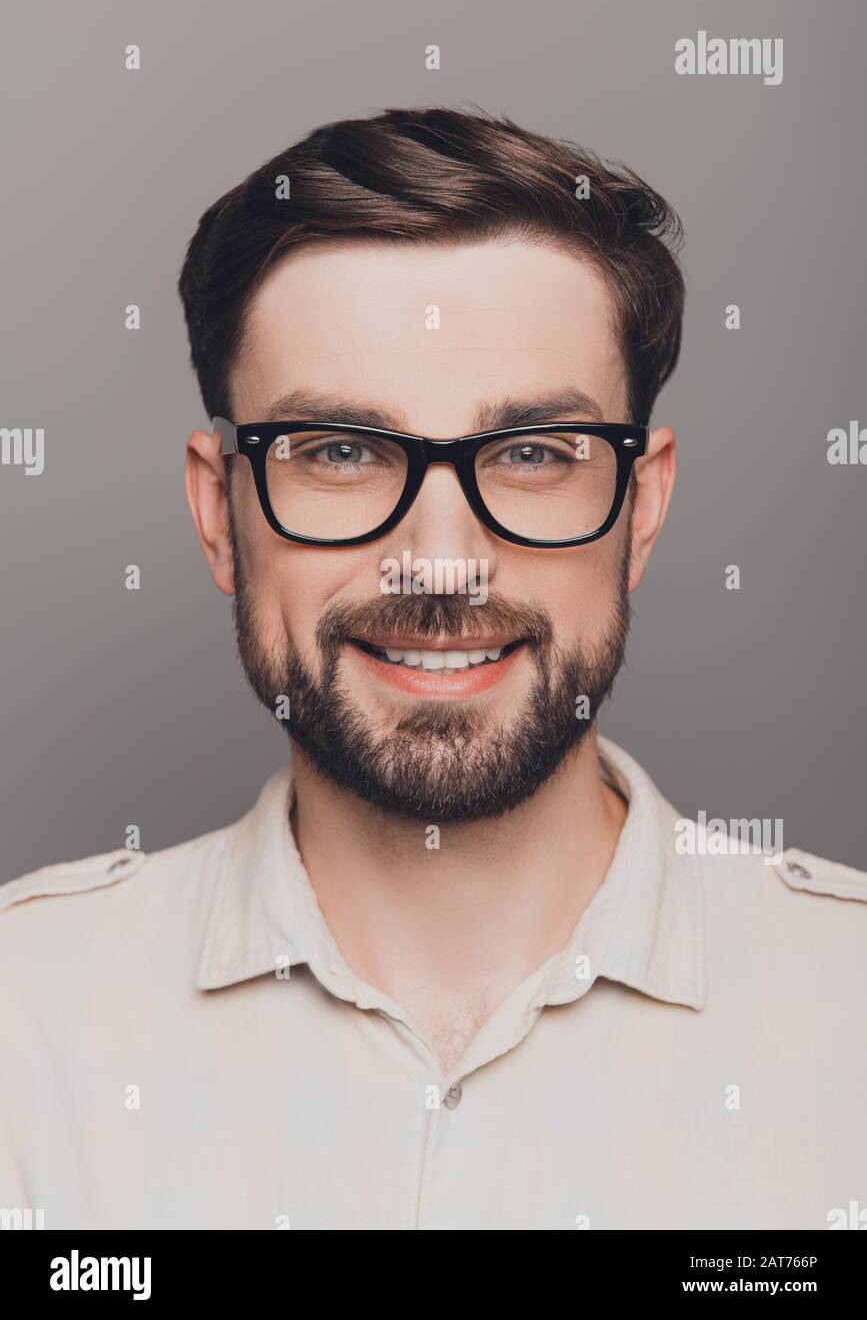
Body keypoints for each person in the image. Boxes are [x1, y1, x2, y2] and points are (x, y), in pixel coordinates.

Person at [1, 107, 864, 1231]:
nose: (443, 565)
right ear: (220, 512)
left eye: (534, 454)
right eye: (342, 452)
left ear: (641, 509)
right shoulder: (25, 1025)